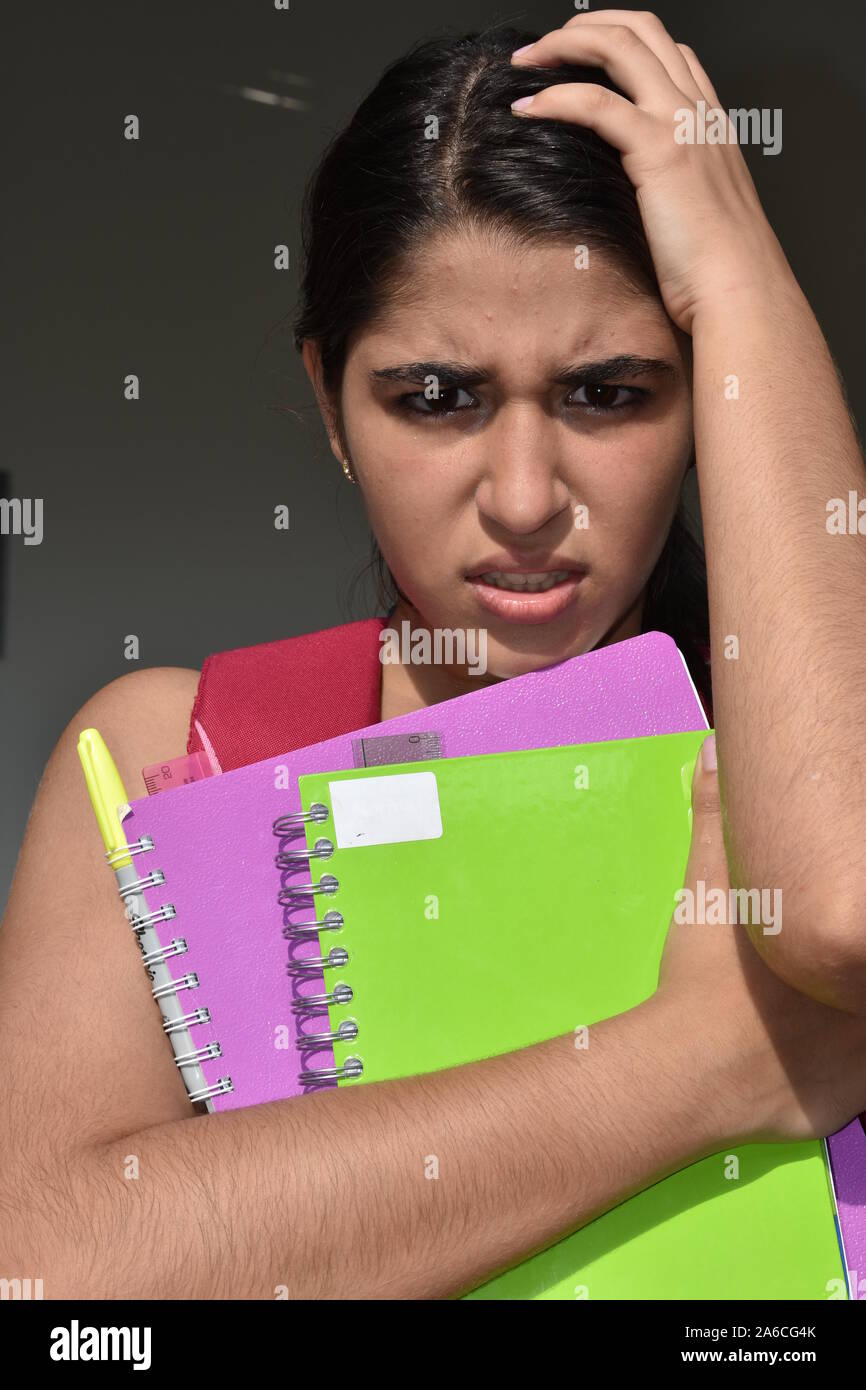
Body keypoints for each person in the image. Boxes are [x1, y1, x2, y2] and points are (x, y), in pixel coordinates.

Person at [2, 13, 866, 1300]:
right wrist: (698, 1065)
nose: (523, 496)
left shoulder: (818, 750)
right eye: (436, 398)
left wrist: (743, 284)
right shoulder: (178, 749)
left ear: (712, 397)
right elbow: (50, 1278)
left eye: (611, 391)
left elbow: (842, 914)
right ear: (331, 406)